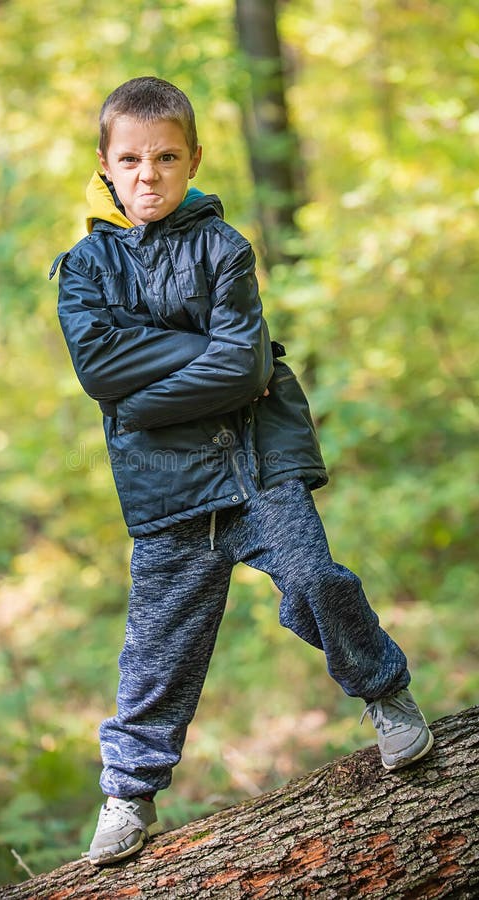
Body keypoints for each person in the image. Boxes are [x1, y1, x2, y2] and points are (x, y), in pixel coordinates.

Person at [51, 76, 434, 866]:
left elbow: (232, 371)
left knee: (316, 580)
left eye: (165, 157)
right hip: (166, 489)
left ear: (193, 159)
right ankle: (127, 793)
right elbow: (101, 364)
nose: (147, 173)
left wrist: (161, 388)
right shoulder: (86, 268)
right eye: (130, 159)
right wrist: (229, 359)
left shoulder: (224, 247)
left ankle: (386, 696)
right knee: (157, 652)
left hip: (256, 466)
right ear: (105, 165)